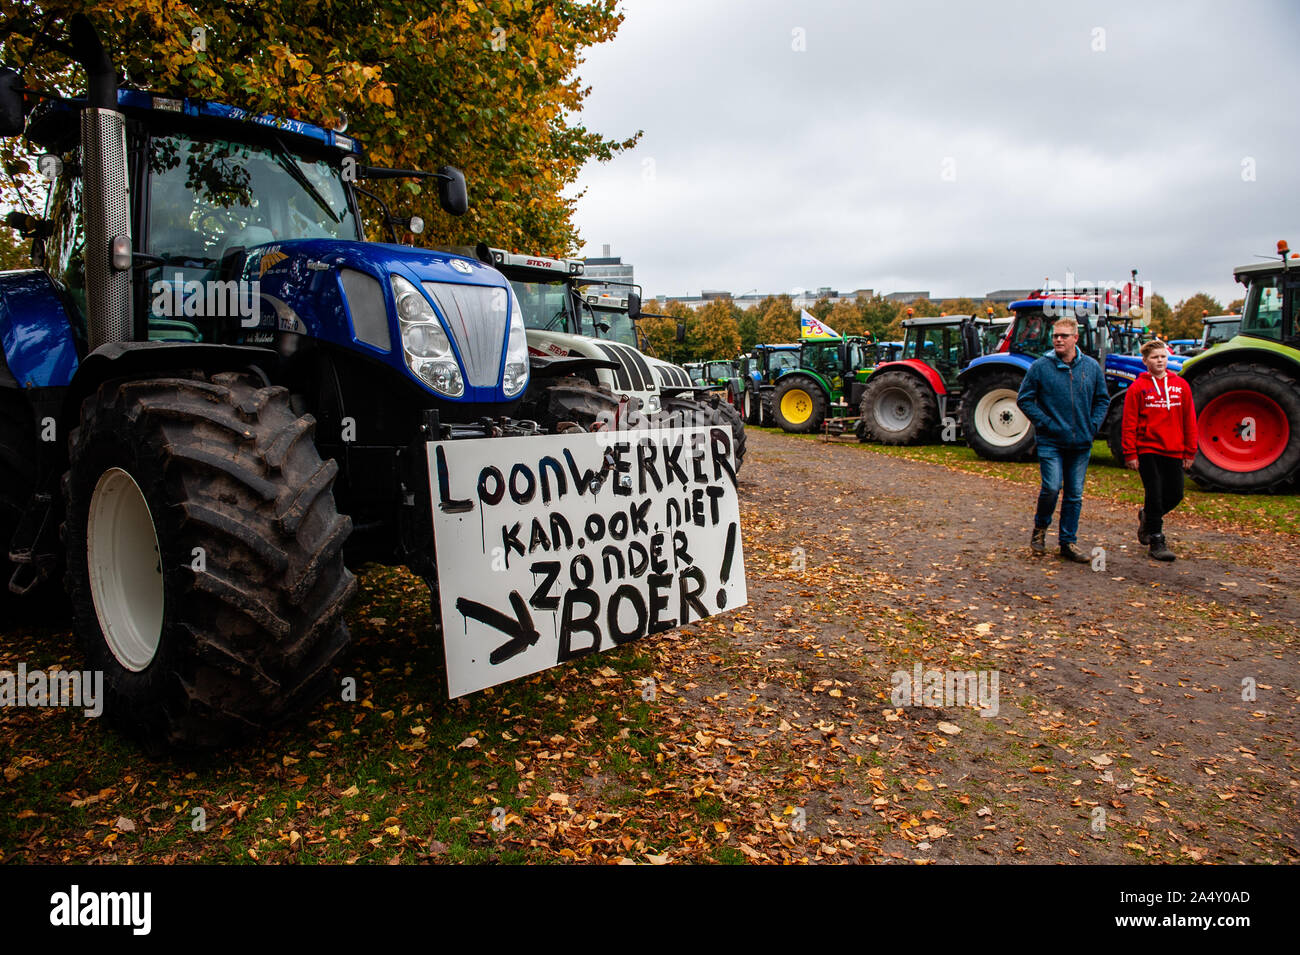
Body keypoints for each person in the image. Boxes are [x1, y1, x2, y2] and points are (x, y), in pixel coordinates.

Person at [1016, 315, 1111, 561]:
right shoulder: (1041, 367)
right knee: (1051, 487)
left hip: (1081, 441)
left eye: (1063, 336)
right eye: (1055, 336)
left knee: (1074, 494)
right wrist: (1045, 423)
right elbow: (1024, 399)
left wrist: (1092, 425)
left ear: (1075, 339)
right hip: (1051, 441)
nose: (1058, 340)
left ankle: (1068, 543)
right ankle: (1040, 530)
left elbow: (1102, 399)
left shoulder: (1090, 367)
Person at [1121, 339, 1198, 561]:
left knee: (1175, 493)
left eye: (1163, 357)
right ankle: (1156, 538)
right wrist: (1130, 453)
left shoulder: (1181, 386)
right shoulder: (1138, 388)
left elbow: (1189, 419)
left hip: (1174, 448)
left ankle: (1147, 517)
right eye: (1155, 358)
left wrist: (1189, 451)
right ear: (1145, 361)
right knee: (1154, 493)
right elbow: (1129, 422)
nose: (1160, 361)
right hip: (1148, 449)